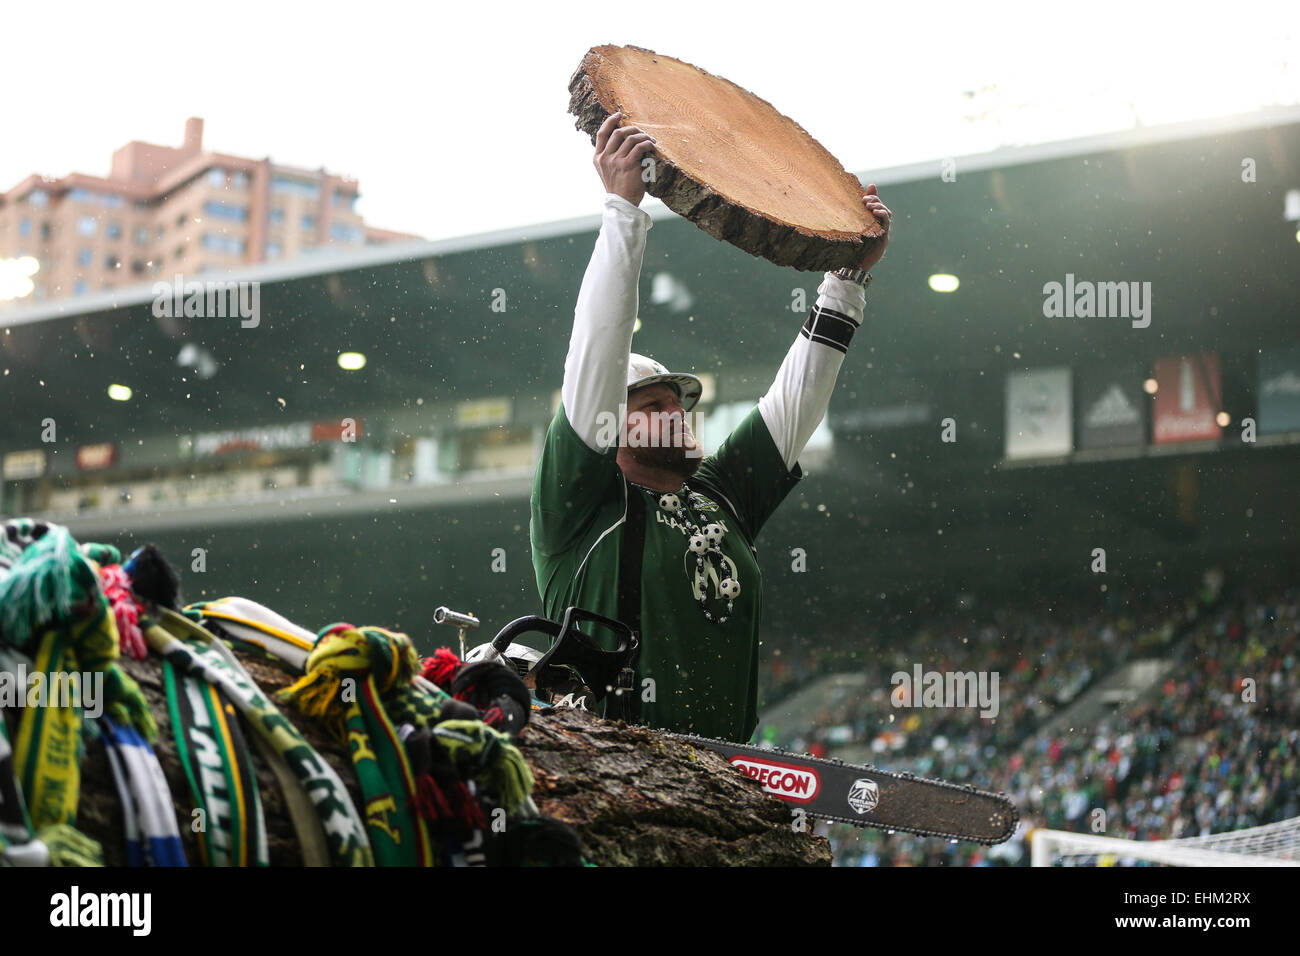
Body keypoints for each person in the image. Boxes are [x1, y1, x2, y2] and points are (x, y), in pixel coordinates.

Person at [529, 112, 891, 741]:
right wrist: (622, 211)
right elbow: (597, 349)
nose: (675, 414)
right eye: (652, 407)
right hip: (617, 773)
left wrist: (848, 278)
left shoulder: (722, 498)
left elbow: (793, 401)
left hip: (724, 784)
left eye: (678, 403)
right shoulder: (581, 511)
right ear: (608, 428)